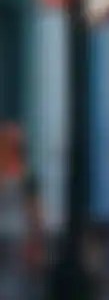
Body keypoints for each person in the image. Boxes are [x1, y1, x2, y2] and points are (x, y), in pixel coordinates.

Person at [0, 124, 43, 300]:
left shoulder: (23, 175)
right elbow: (34, 210)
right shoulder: (25, 175)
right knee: (15, 282)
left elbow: (34, 210)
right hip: (17, 233)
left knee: (14, 281)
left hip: (16, 235)